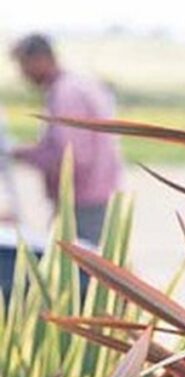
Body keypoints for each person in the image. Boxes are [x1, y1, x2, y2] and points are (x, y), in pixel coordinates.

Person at [9, 33, 122, 245]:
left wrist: (20, 153)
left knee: (78, 269)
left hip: (83, 199)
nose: (22, 74)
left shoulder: (67, 93)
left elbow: (72, 155)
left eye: (23, 64)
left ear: (41, 59)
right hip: (94, 195)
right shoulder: (77, 85)